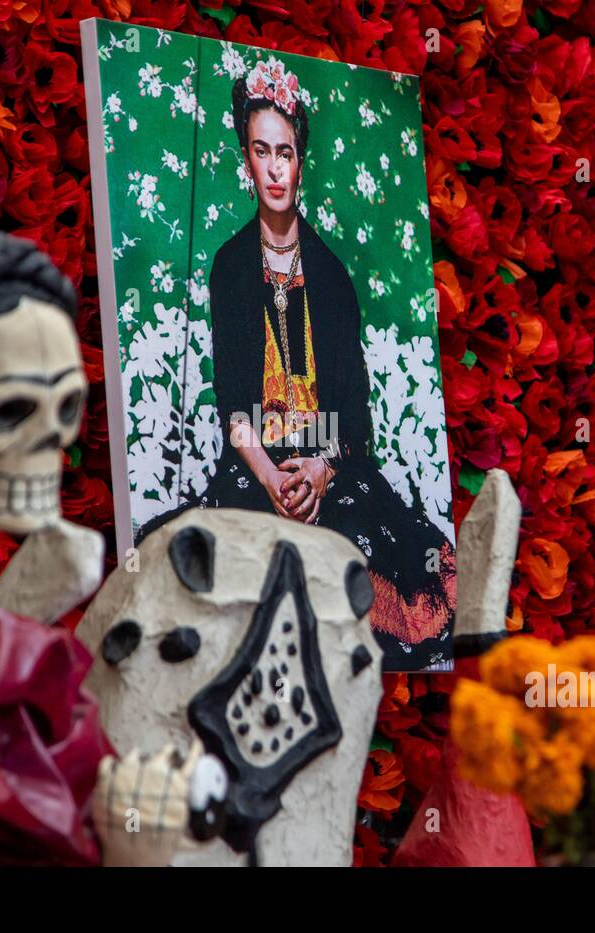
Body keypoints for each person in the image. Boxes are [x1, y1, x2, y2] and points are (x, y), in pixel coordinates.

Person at [145, 59, 456, 669]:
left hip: (330, 464)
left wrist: (317, 471)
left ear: (301, 160)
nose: (275, 167)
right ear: (247, 160)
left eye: (284, 152)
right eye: (261, 151)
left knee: (371, 576)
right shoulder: (230, 268)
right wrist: (270, 478)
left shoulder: (333, 275)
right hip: (257, 466)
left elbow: (354, 413)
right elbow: (234, 408)